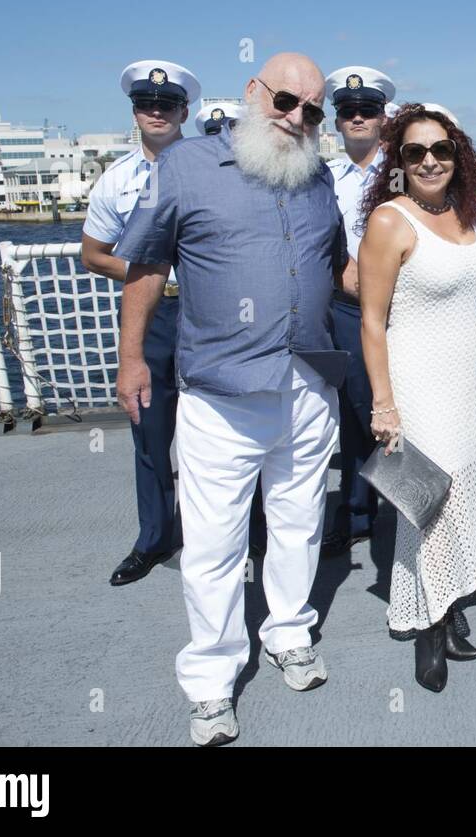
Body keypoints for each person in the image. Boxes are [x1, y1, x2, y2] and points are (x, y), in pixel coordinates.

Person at [116, 52, 341, 746]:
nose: (297, 118)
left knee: (299, 521)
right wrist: (130, 357)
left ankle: (289, 632)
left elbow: (336, 265)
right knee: (213, 544)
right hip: (222, 391)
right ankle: (212, 683)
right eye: (284, 101)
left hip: (307, 383)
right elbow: (147, 263)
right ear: (252, 92)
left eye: (312, 110)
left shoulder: (317, 175)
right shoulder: (183, 169)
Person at [357, 103, 476, 694]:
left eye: (440, 149)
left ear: (457, 154)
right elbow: (370, 319)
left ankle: (448, 602)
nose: (430, 160)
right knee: (428, 504)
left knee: (461, 493)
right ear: (400, 161)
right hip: (417, 385)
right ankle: (429, 629)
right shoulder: (392, 221)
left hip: (469, 380)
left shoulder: (467, 216)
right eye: (415, 152)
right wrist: (384, 403)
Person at [81, 59, 199, 587]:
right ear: (135, 112)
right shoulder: (117, 180)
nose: (157, 111)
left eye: (167, 104)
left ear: (184, 111)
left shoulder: (212, 168)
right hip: (150, 319)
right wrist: (151, 271)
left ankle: (242, 533)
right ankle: (154, 538)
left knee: (224, 432)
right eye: (146, 104)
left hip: (209, 316)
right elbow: (93, 254)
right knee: (149, 433)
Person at [322, 65, 396, 556]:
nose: (357, 118)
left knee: (405, 412)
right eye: (347, 111)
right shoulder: (323, 178)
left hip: (405, 312)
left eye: (366, 110)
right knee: (355, 414)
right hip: (348, 310)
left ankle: (411, 510)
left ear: (382, 117)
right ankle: (356, 511)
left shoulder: (407, 169)